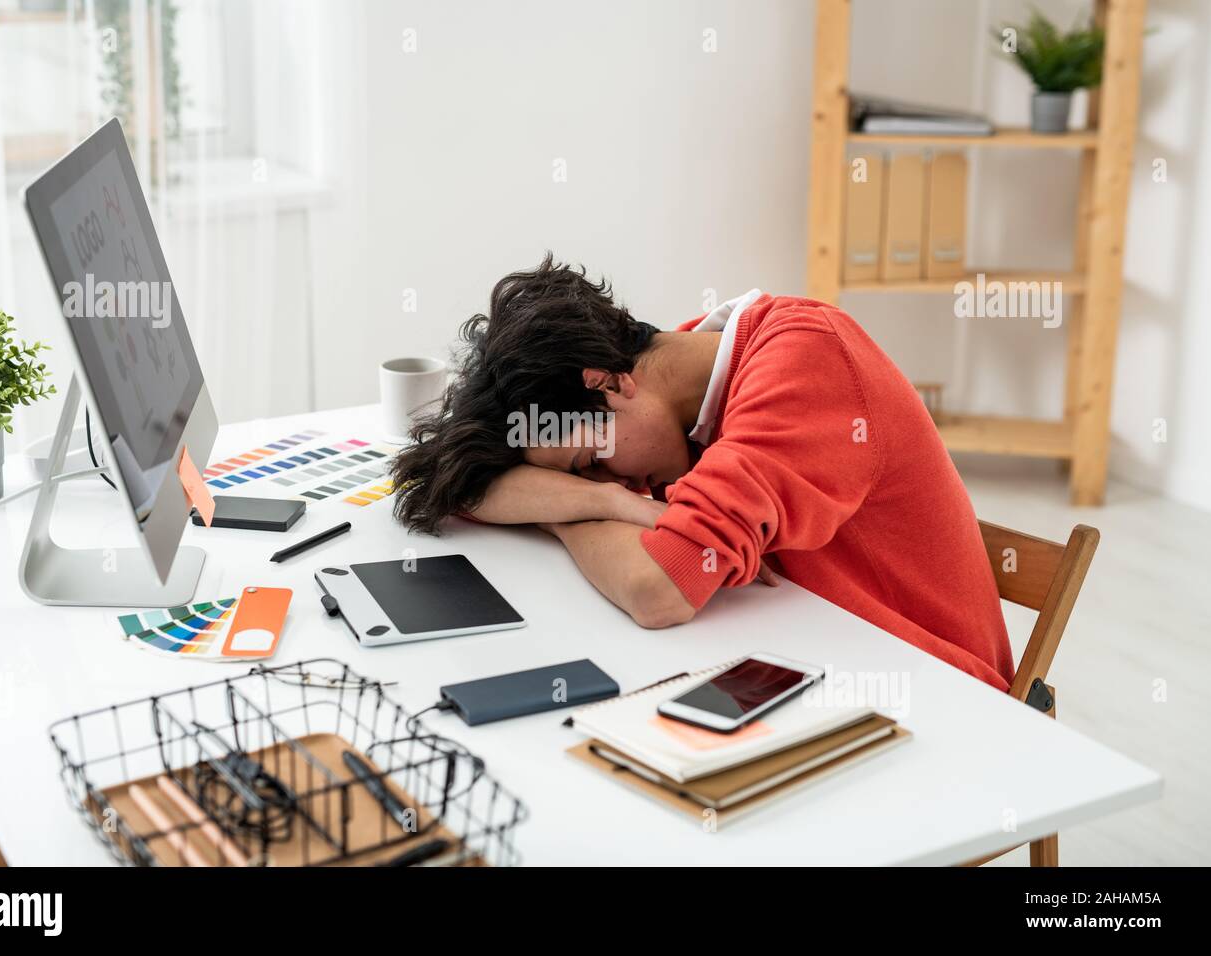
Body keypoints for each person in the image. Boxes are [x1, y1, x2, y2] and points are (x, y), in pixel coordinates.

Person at [391, 254, 1014, 690]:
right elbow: (465, 489)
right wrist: (606, 506)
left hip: (930, 692)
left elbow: (659, 590)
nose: (609, 482)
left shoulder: (807, 367)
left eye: (590, 463)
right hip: (791, 658)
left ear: (608, 384)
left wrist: (567, 510)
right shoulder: (679, 375)